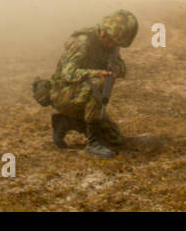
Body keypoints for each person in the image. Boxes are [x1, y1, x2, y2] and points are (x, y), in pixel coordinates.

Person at [32, 9, 137, 158]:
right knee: (98, 83)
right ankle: (93, 143)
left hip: (83, 96)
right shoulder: (83, 41)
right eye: (112, 41)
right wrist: (98, 74)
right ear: (104, 32)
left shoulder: (112, 44)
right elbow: (67, 73)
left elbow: (119, 63)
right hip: (63, 94)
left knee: (116, 139)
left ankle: (65, 121)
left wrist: (118, 69)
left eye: (117, 43)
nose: (113, 45)